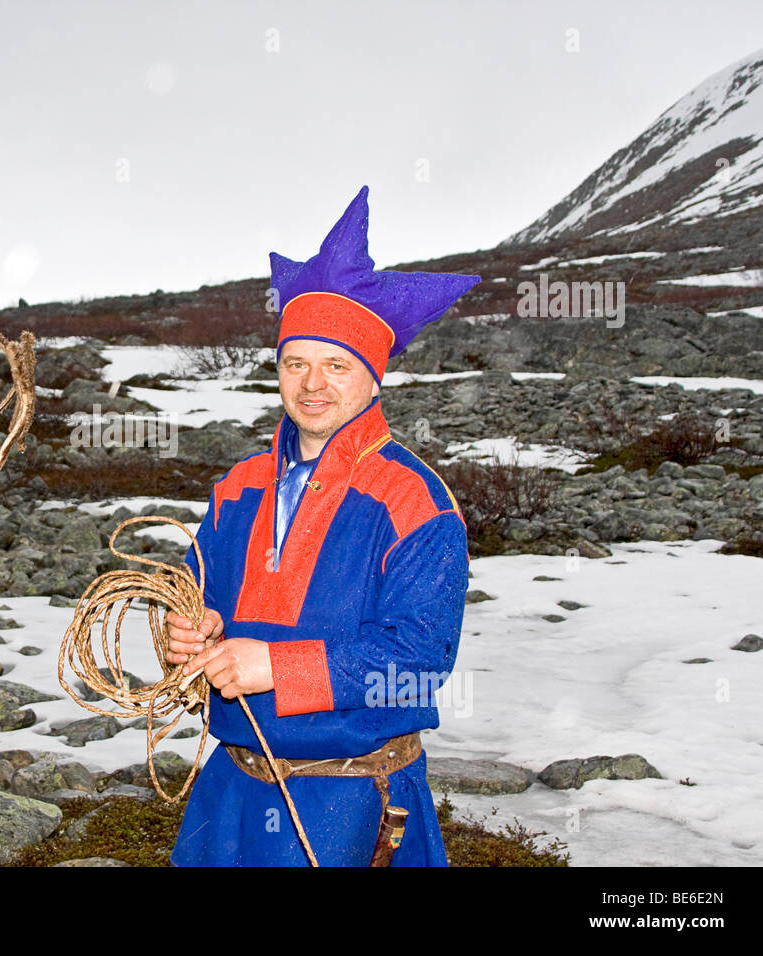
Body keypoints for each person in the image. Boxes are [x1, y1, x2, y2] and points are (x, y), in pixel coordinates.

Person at [165, 185, 480, 866]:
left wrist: (275, 666)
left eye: (337, 364)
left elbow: (418, 665)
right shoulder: (238, 487)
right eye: (296, 362)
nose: (313, 383)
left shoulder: (415, 502)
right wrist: (191, 629)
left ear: (373, 377)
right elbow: (194, 596)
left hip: (353, 806)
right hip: (231, 791)